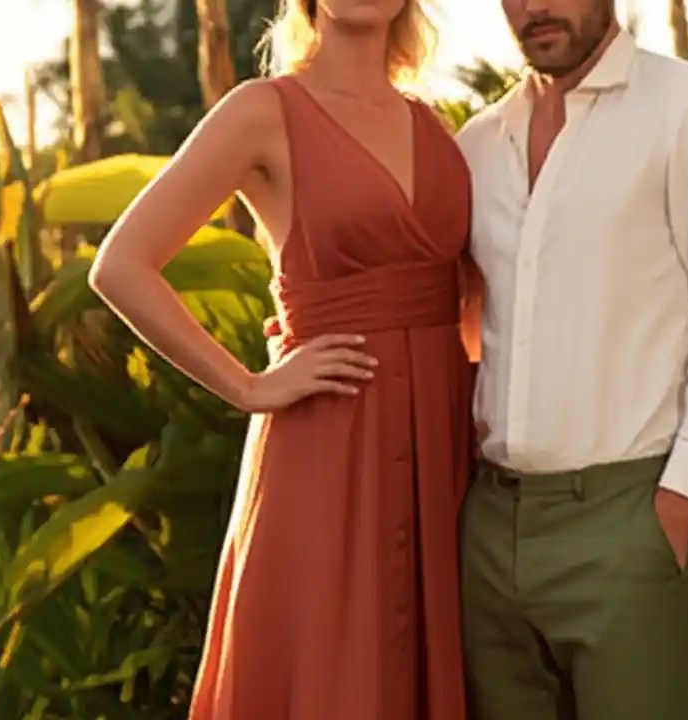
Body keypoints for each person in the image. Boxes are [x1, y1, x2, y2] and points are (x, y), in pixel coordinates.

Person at [87, 1, 477, 717]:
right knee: (329, 675)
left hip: (442, 448)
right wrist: (247, 385)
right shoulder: (263, 111)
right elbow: (121, 266)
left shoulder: (434, 123)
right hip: (329, 443)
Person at [455, 1, 688, 718]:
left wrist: (680, 499)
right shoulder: (477, 143)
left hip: (628, 519)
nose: (533, 7)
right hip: (487, 526)